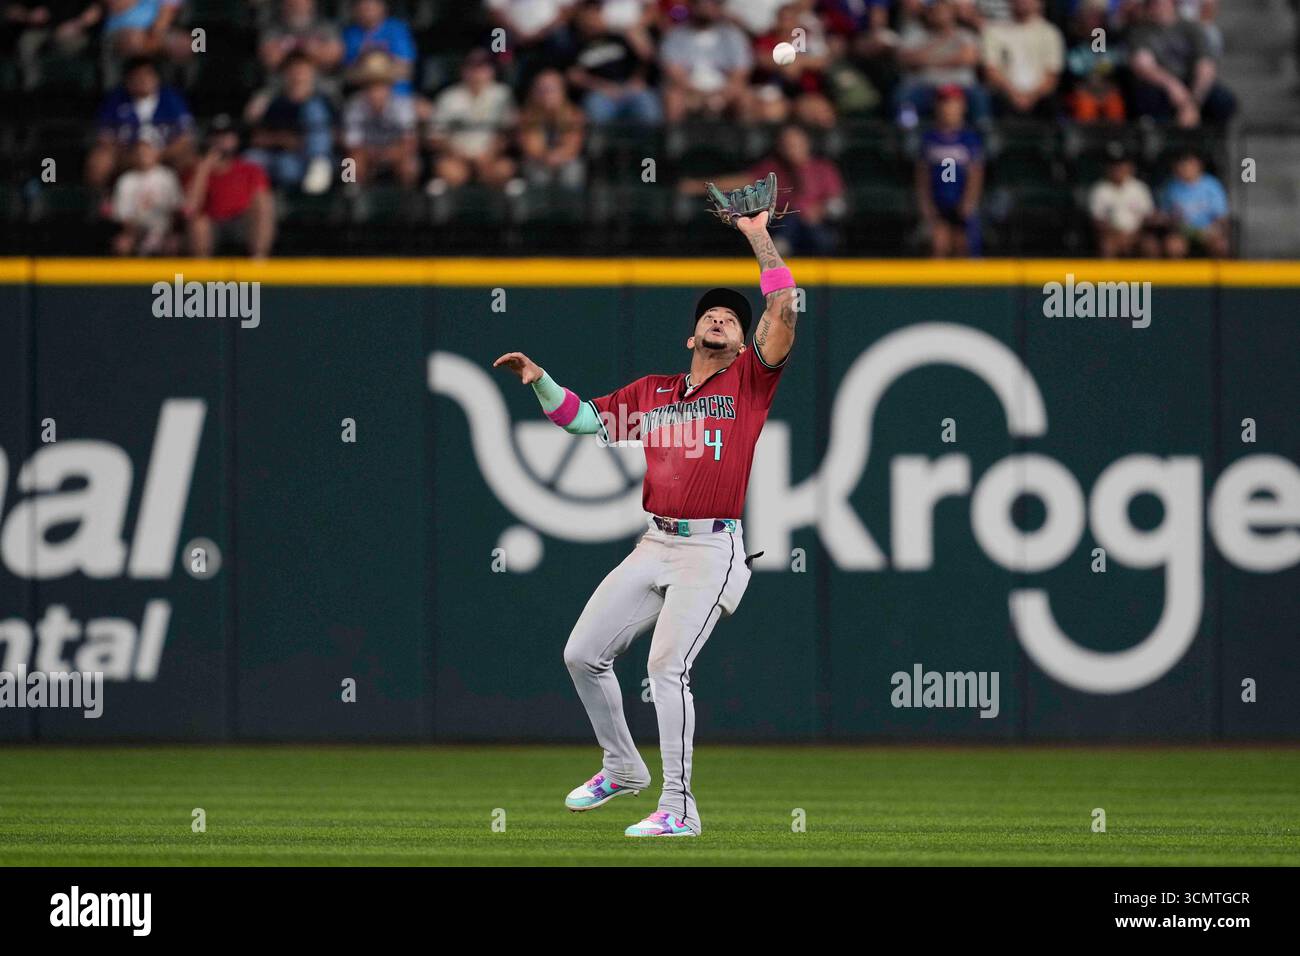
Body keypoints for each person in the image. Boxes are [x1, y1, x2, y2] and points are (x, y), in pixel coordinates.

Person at [491, 199, 799, 837]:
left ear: (745, 343)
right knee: (582, 654)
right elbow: (587, 421)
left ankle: (680, 808)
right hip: (655, 540)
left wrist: (756, 235)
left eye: (731, 319)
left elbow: (784, 308)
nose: (719, 319)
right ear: (691, 337)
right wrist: (540, 379)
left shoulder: (749, 382)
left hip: (712, 550)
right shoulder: (654, 393)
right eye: (709, 315)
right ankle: (624, 768)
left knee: (666, 667)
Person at [86, 56, 194, 190]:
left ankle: (185, 205)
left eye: (147, 75)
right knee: (99, 160)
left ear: (156, 78)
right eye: (136, 77)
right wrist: (133, 156)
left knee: (189, 158)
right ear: (127, 81)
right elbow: (104, 137)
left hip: (163, 153)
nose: (142, 80)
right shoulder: (115, 100)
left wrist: (158, 154)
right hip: (127, 155)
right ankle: (102, 204)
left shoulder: (171, 99)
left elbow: (185, 138)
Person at [1128, 0, 1234, 127]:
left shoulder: (1192, 28)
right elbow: (1144, 67)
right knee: (1147, 99)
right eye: (1151, 3)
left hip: (1192, 86)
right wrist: (1173, 86)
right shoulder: (1140, 32)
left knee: (1223, 101)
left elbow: (1206, 67)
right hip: (1161, 87)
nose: (1155, 6)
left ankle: (1212, 142)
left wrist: (1192, 103)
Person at [183, 115, 276, 258]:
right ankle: (201, 276)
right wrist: (204, 168)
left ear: (236, 139)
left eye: (227, 135)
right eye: (217, 135)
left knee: (265, 203)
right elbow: (189, 209)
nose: (221, 140)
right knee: (198, 223)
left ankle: (258, 264)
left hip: (241, 223)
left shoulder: (250, 169)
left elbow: (260, 203)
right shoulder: (196, 171)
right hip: (211, 226)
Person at [426, 48, 518, 191]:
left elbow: (508, 133)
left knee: (504, 169)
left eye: (482, 67)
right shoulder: (448, 96)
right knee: (448, 171)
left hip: (489, 158)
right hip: (456, 158)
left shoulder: (502, 94)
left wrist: (489, 155)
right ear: (463, 70)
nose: (477, 73)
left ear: (491, 70)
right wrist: (458, 154)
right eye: (472, 67)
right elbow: (435, 137)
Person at [245, 51, 335, 193]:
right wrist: (282, 139)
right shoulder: (275, 102)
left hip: (310, 157)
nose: (298, 75)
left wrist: (302, 142)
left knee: (313, 108)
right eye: (293, 71)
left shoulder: (323, 100)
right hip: (281, 155)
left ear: (312, 74)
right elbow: (257, 137)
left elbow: (335, 134)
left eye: (303, 70)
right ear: (285, 74)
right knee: (252, 160)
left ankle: (319, 162)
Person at [565, 0, 661, 125]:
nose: (593, 18)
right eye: (588, 14)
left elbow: (646, 60)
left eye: (597, 13)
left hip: (629, 86)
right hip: (599, 92)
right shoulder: (574, 44)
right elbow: (574, 76)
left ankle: (650, 144)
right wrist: (604, 87)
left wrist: (638, 80)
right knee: (595, 108)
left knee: (649, 108)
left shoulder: (619, 36)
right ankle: (600, 143)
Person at [915, 83, 983, 256]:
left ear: (962, 106)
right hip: (938, 202)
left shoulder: (969, 139)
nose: (948, 108)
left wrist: (969, 201)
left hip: (960, 201)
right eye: (945, 103)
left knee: (964, 245)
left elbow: (976, 173)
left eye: (953, 103)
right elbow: (923, 174)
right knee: (939, 244)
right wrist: (926, 203)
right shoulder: (929, 139)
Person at [894, 0, 987, 126]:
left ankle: (984, 134)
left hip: (961, 88)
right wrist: (940, 42)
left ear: (952, 14)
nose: (940, 15)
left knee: (979, 96)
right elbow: (907, 59)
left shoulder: (965, 35)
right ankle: (907, 134)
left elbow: (968, 58)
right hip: (925, 87)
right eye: (935, 11)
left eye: (944, 11)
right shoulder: (914, 33)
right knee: (903, 96)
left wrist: (928, 61)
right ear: (928, 14)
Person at [659, 0, 753, 122]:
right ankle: (675, 138)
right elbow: (673, 71)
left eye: (712, 4)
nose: (707, 7)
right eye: (702, 3)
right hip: (689, 91)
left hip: (724, 90)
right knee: (673, 98)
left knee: (745, 97)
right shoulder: (675, 35)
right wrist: (699, 94)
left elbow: (740, 71)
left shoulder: (732, 35)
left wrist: (721, 95)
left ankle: (744, 139)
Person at [341, 49, 420, 187]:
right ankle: (352, 196)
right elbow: (351, 145)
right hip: (366, 153)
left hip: (395, 153)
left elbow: (410, 142)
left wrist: (390, 154)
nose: (375, 91)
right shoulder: (354, 106)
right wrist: (373, 154)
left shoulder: (402, 105)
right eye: (371, 85)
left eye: (381, 84)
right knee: (349, 164)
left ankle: (409, 199)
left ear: (389, 86)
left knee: (410, 164)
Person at [980, 0, 1064, 118]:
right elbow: (991, 70)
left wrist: (1032, 96)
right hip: (1003, 96)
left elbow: (1052, 76)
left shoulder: (1050, 33)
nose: (1023, 2)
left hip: (1040, 100)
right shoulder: (993, 31)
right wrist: (1013, 93)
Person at [108, 132, 182, 255]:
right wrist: (137, 234)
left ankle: (176, 275)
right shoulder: (126, 180)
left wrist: (166, 233)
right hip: (136, 231)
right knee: (122, 244)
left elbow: (175, 210)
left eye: (148, 150)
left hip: (163, 231)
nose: (143, 154)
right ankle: (128, 274)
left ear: (157, 152)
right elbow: (124, 216)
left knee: (173, 244)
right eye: (140, 151)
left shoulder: (168, 176)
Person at [518, 68, 587, 190]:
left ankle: (569, 208)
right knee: (538, 175)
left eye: (551, 89)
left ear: (562, 91)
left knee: (572, 171)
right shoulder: (527, 116)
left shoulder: (574, 114)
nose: (546, 94)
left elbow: (573, 145)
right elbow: (530, 146)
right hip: (538, 160)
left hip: (565, 159)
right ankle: (540, 209)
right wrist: (545, 157)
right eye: (542, 90)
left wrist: (559, 156)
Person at [1156, 149, 1229, 257]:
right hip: (1182, 232)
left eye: (1189, 165)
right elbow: (1165, 214)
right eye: (1182, 166)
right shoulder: (1171, 187)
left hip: (1207, 231)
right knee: (1173, 246)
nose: (1185, 169)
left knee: (1221, 245)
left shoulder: (1212, 186)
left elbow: (1221, 216)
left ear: (1198, 166)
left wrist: (1214, 230)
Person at [1088, 147, 1156, 257]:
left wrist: (1134, 235)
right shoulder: (1100, 190)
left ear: (1130, 167)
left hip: (1137, 234)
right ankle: (1109, 274)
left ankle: (1149, 274)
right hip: (1111, 235)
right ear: (1108, 168)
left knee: (1150, 245)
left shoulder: (1139, 188)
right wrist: (1116, 234)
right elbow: (1097, 220)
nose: (1118, 169)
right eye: (1114, 166)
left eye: (1121, 165)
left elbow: (1148, 216)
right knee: (1107, 245)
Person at [341, 0, 416, 96]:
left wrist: (369, 70)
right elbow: (348, 75)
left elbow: (406, 70)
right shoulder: (350, 34)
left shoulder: (397, 29)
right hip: (362, 98)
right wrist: (381, 70)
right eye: (362, 4)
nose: (366, 7)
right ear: (355, 9)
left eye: (371, 3)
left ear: (383, 6)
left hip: (397, 95)